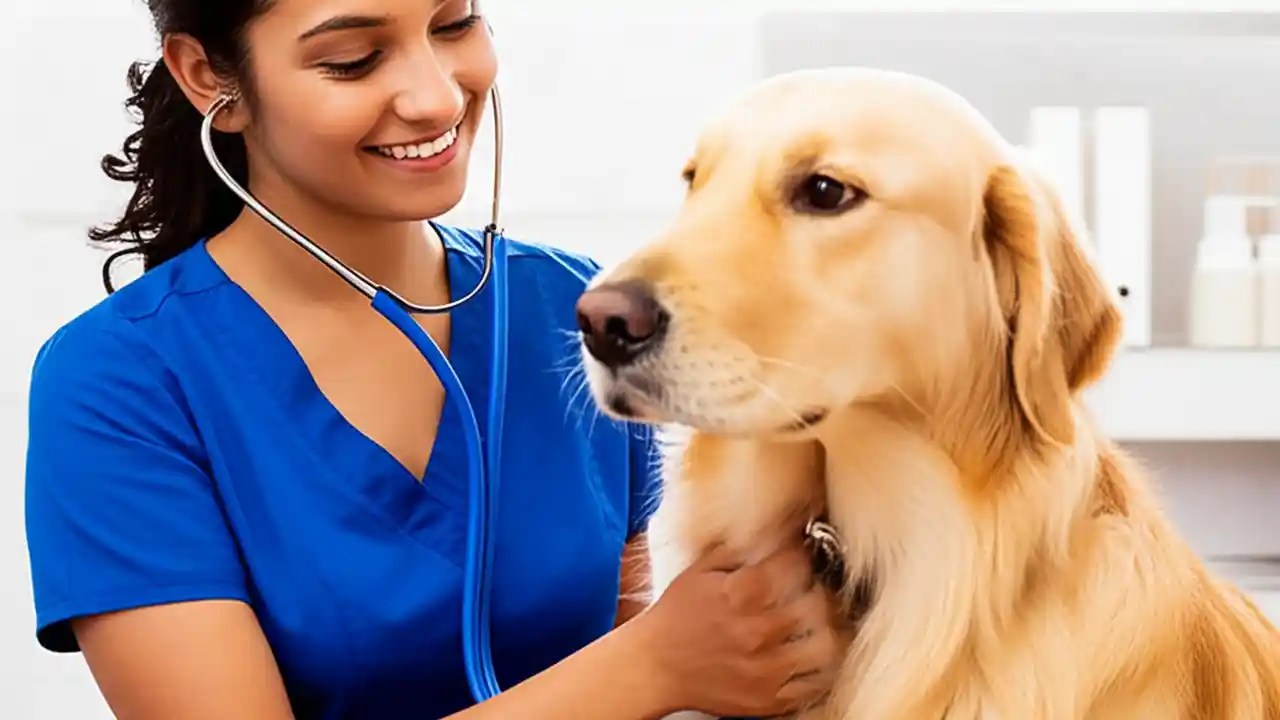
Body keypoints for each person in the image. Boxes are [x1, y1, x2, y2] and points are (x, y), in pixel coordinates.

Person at [22, 1, 844, 719]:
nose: (438, 96)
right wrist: (655, 666)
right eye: (352, 60)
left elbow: (679, 635)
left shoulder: (580, 311)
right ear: (209, 78)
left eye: (454, 24)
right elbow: (658, 656)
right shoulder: (119, 384)